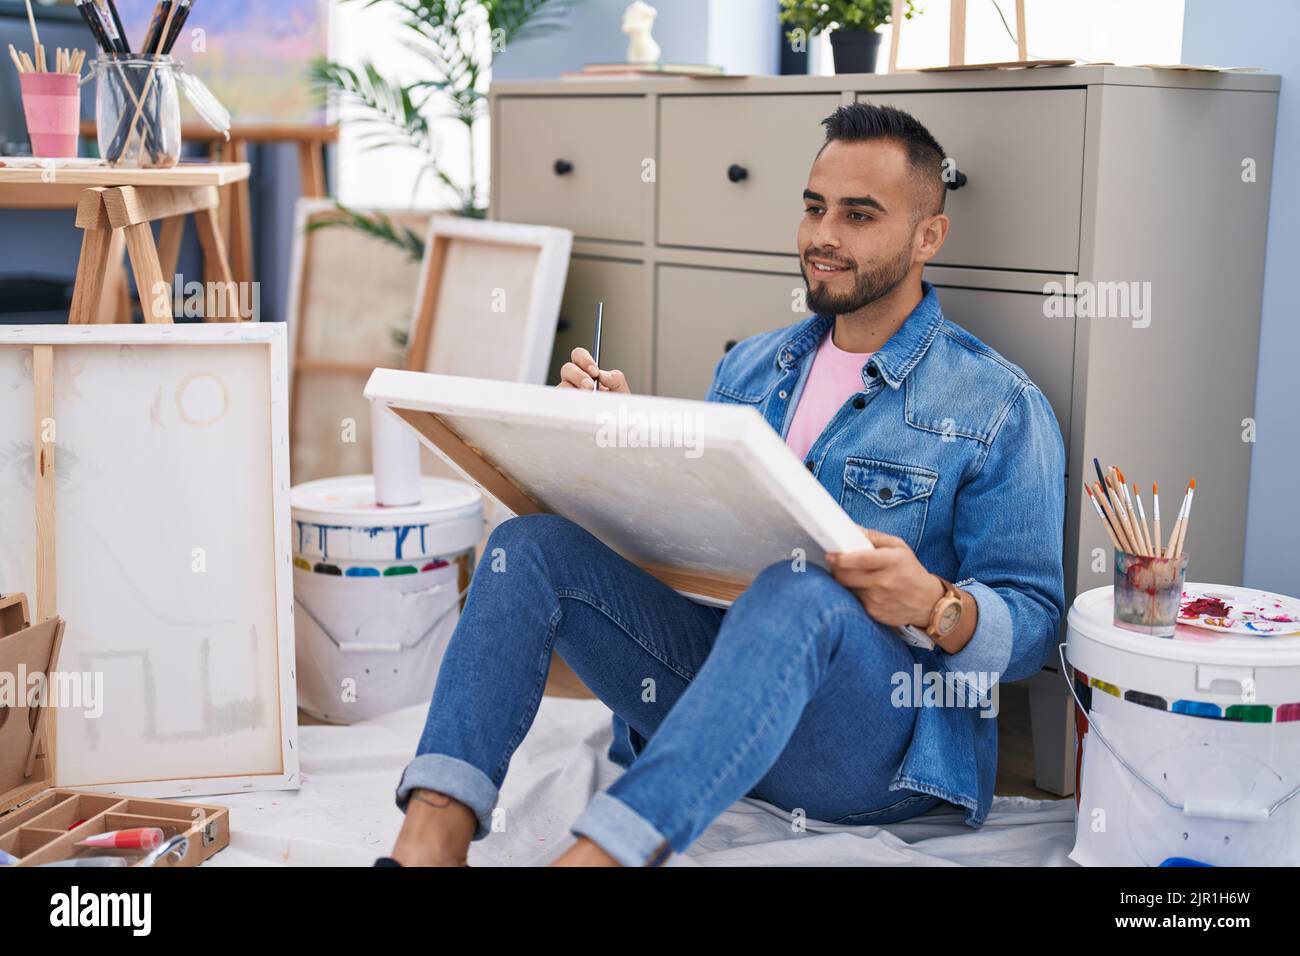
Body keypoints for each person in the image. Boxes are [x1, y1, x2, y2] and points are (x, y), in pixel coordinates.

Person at [380, 103, 1066, 867]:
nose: (824, 237)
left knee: (803, 588)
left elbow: (1037, 624)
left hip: (871, 749)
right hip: (717, 702)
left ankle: (603, 855)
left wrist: (936, 606)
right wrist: (620, 454)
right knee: (523, 548)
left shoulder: (999, 406)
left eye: (860, 215)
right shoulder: (748, 369)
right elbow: (685, 549)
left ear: (928, 236)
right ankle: (430, 840)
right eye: (814, 208)